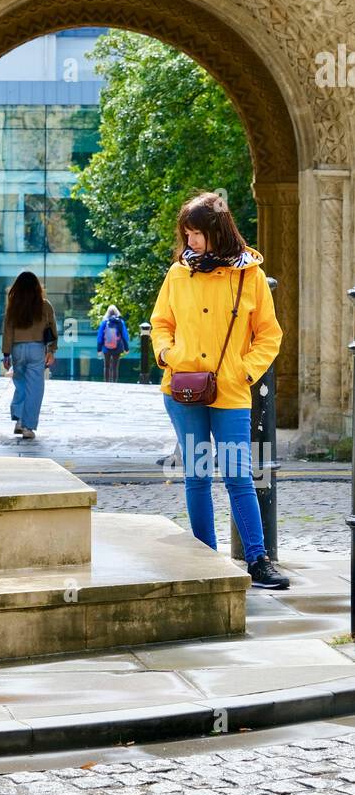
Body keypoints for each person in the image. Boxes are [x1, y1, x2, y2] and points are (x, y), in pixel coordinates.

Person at [150, 191, 288, 590]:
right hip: (182, 389)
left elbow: (269, 335)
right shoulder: (178, 274)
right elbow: (161, 322)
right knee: (196, 474)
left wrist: (244, 372)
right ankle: (205, 558)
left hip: (230, 391)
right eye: (187, 234)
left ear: (218, 231)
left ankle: (257, 560)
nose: (190, 241)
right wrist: (167, 354)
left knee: (238, 476)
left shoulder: (250, 276)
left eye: (197, 233)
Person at [1, 271, 57, 440]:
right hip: (36, 348)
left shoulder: (13, 306)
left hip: (18, 349)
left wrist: (6, 354)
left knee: (21, 384)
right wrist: (51, 350)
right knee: (35, 389)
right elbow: (52, 329)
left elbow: (7, 331)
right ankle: (28, 427)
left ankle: (18, 419)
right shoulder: (45, 305)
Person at [96, 304, 129, 382]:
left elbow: (100, 336)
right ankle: (114, 382)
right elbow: (124, 336)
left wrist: (99, 349)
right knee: (115, 366)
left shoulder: (104, 322)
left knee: (106, 366)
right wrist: (126, 348)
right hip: (117, 346)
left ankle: (106, 382)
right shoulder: (120, 322)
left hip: (106, 347)